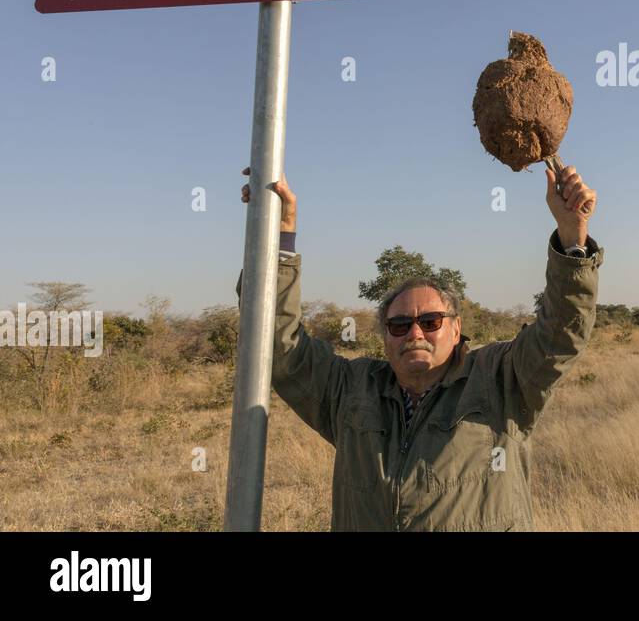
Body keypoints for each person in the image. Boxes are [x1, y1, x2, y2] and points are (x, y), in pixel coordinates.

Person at [235, 163, 602, 531]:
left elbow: (559, 336)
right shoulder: (351, 390)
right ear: (384, 335)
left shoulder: (500, 380)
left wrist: (572, 239)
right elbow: (277, 346)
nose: (415, 333)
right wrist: (279, 238)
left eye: (431, 322)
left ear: (456, 329)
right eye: (399, 324)